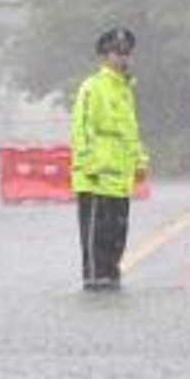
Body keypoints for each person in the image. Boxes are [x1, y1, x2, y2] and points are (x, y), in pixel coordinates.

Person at [71, 27, 150, 290]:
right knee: (96, 236)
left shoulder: (125, 90)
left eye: (127, 53)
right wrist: (87, 163)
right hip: (95, 177)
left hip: (119, 178)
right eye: (118, 53)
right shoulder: (92, 87)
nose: (124, 59)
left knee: (117, 234)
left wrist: (140, 161)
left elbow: (130, 131)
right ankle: (95, 277)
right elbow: (81, 128)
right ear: (104, 56)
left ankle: (111, 274)